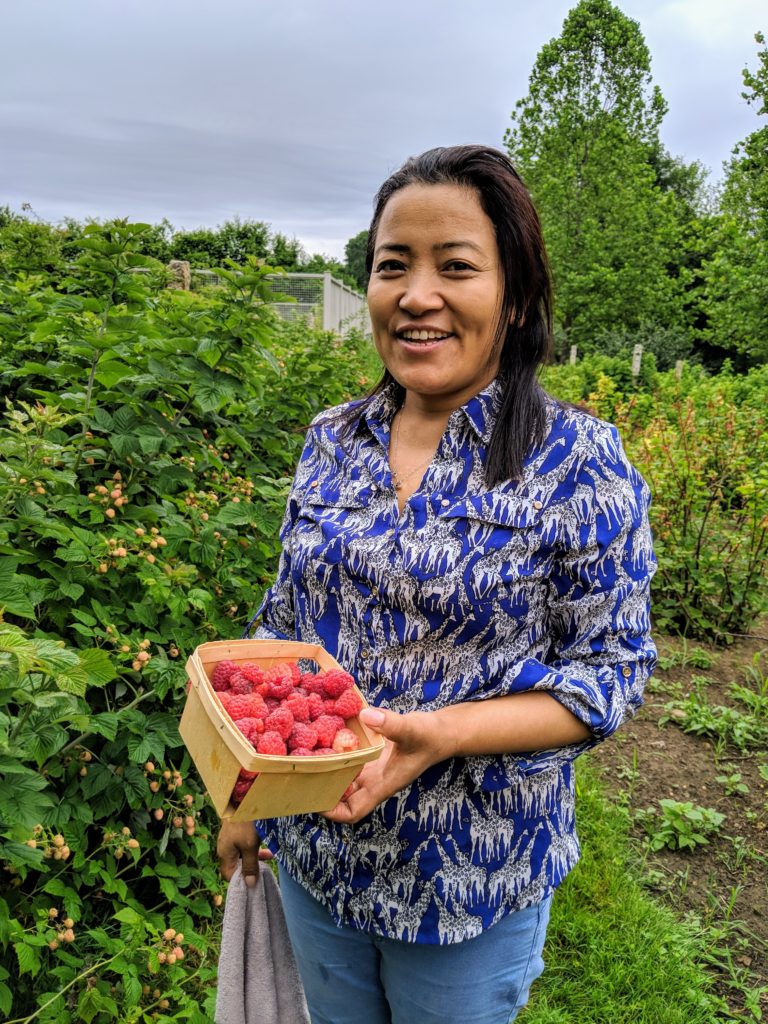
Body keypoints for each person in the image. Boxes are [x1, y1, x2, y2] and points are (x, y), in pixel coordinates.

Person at [217, 144, 656, 1024]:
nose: (417, 295)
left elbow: (611, 670)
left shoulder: (580, 463)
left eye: (456, 266)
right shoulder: (332, 439)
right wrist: (246, 798)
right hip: (319, 856)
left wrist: (441, 734)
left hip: (469, 880)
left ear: (517, 295)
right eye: (392, 266)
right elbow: (281, 630)